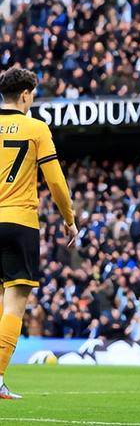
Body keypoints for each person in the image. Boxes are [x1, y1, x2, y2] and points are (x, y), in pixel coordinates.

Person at [0, 67, 77, 399]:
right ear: (25, 95)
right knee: (14, 304)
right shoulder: (36, 128)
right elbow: (55, 180)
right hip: (20, 222)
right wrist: (69, 218)